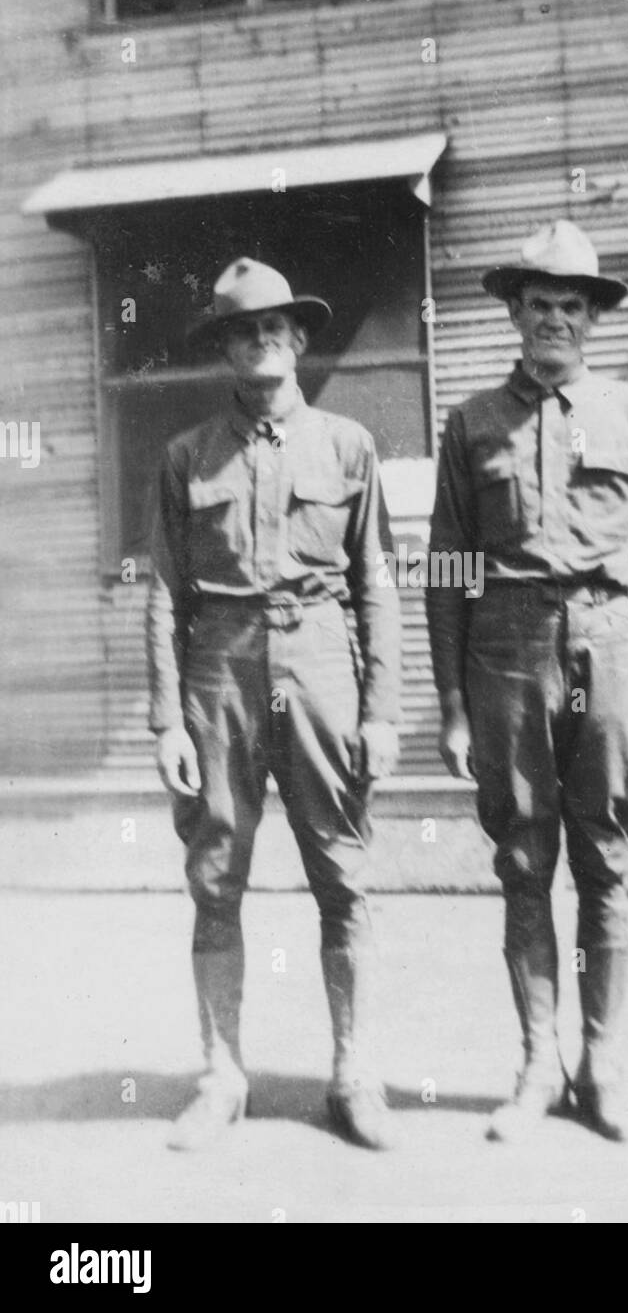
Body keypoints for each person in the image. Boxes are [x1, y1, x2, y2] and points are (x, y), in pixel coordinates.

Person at [426, 220, 628, 1143]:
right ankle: (539, 1062)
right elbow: (449, 565)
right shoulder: (471, 423)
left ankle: (601, 1066)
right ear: (512, 312)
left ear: (591, 318)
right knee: (523, 863)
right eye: (538, 304)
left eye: (571, 306)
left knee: (606, 863)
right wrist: (453, 705)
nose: (554, 321)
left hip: (612, 644)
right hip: (507, 647)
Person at [146, 256, 401, 1151]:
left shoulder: (347, 446)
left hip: (323, 658)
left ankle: (354, 1075)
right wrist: (169, 718)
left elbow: (377, 585)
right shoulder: (187, 457)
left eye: (274, 327)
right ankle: (221, 1076)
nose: (260, 341)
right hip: (219, 666)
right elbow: (166, 593)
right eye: (241, 329)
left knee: (344, 873)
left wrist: (382, 709)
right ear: (225, 347)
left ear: (298, 339)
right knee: (215, 877)